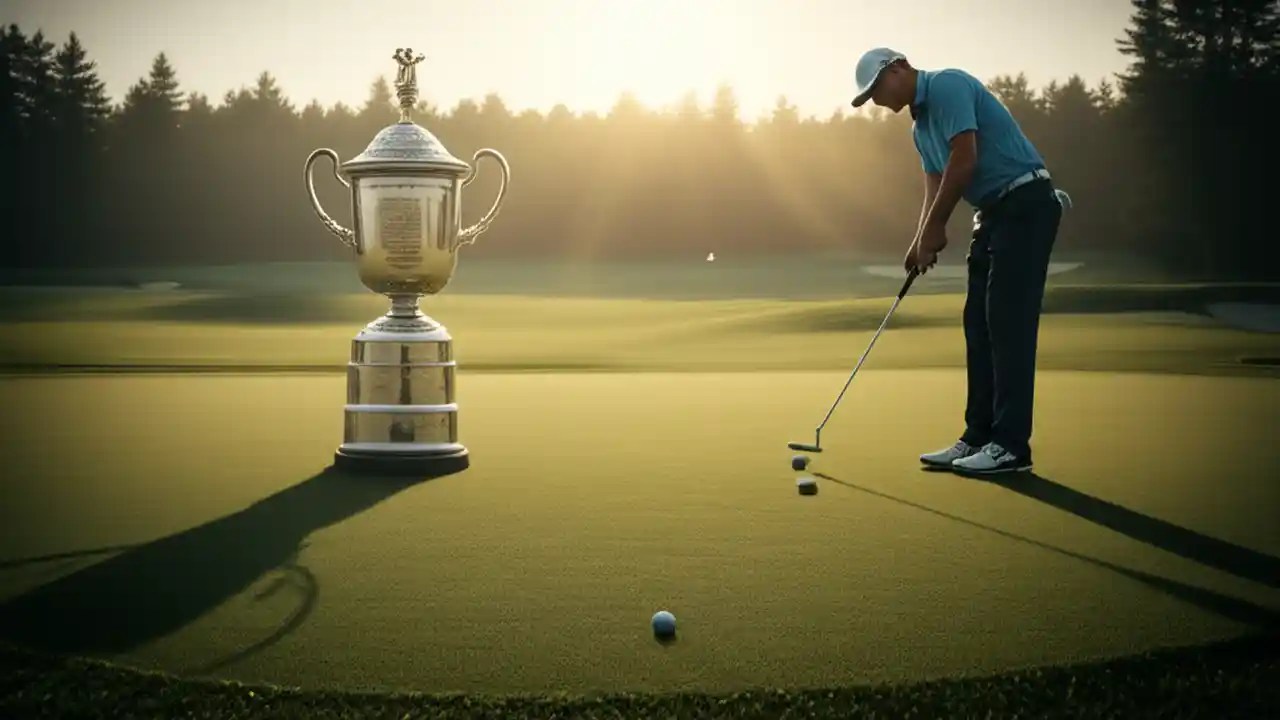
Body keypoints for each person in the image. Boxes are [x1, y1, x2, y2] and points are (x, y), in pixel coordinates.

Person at [850, 48, 1070, 475]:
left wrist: (936, 227)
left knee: (1007, 324)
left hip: (1026, 203)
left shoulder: (947, 84)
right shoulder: (920, 128)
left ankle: (1010, 447)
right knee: (978, 325)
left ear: (898, 68)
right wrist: (920, 239)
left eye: (876, 89)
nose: (876, 100)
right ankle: (978, 436)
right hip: (993, 214)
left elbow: (964, 160)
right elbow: (934, 183)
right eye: (869, 96)